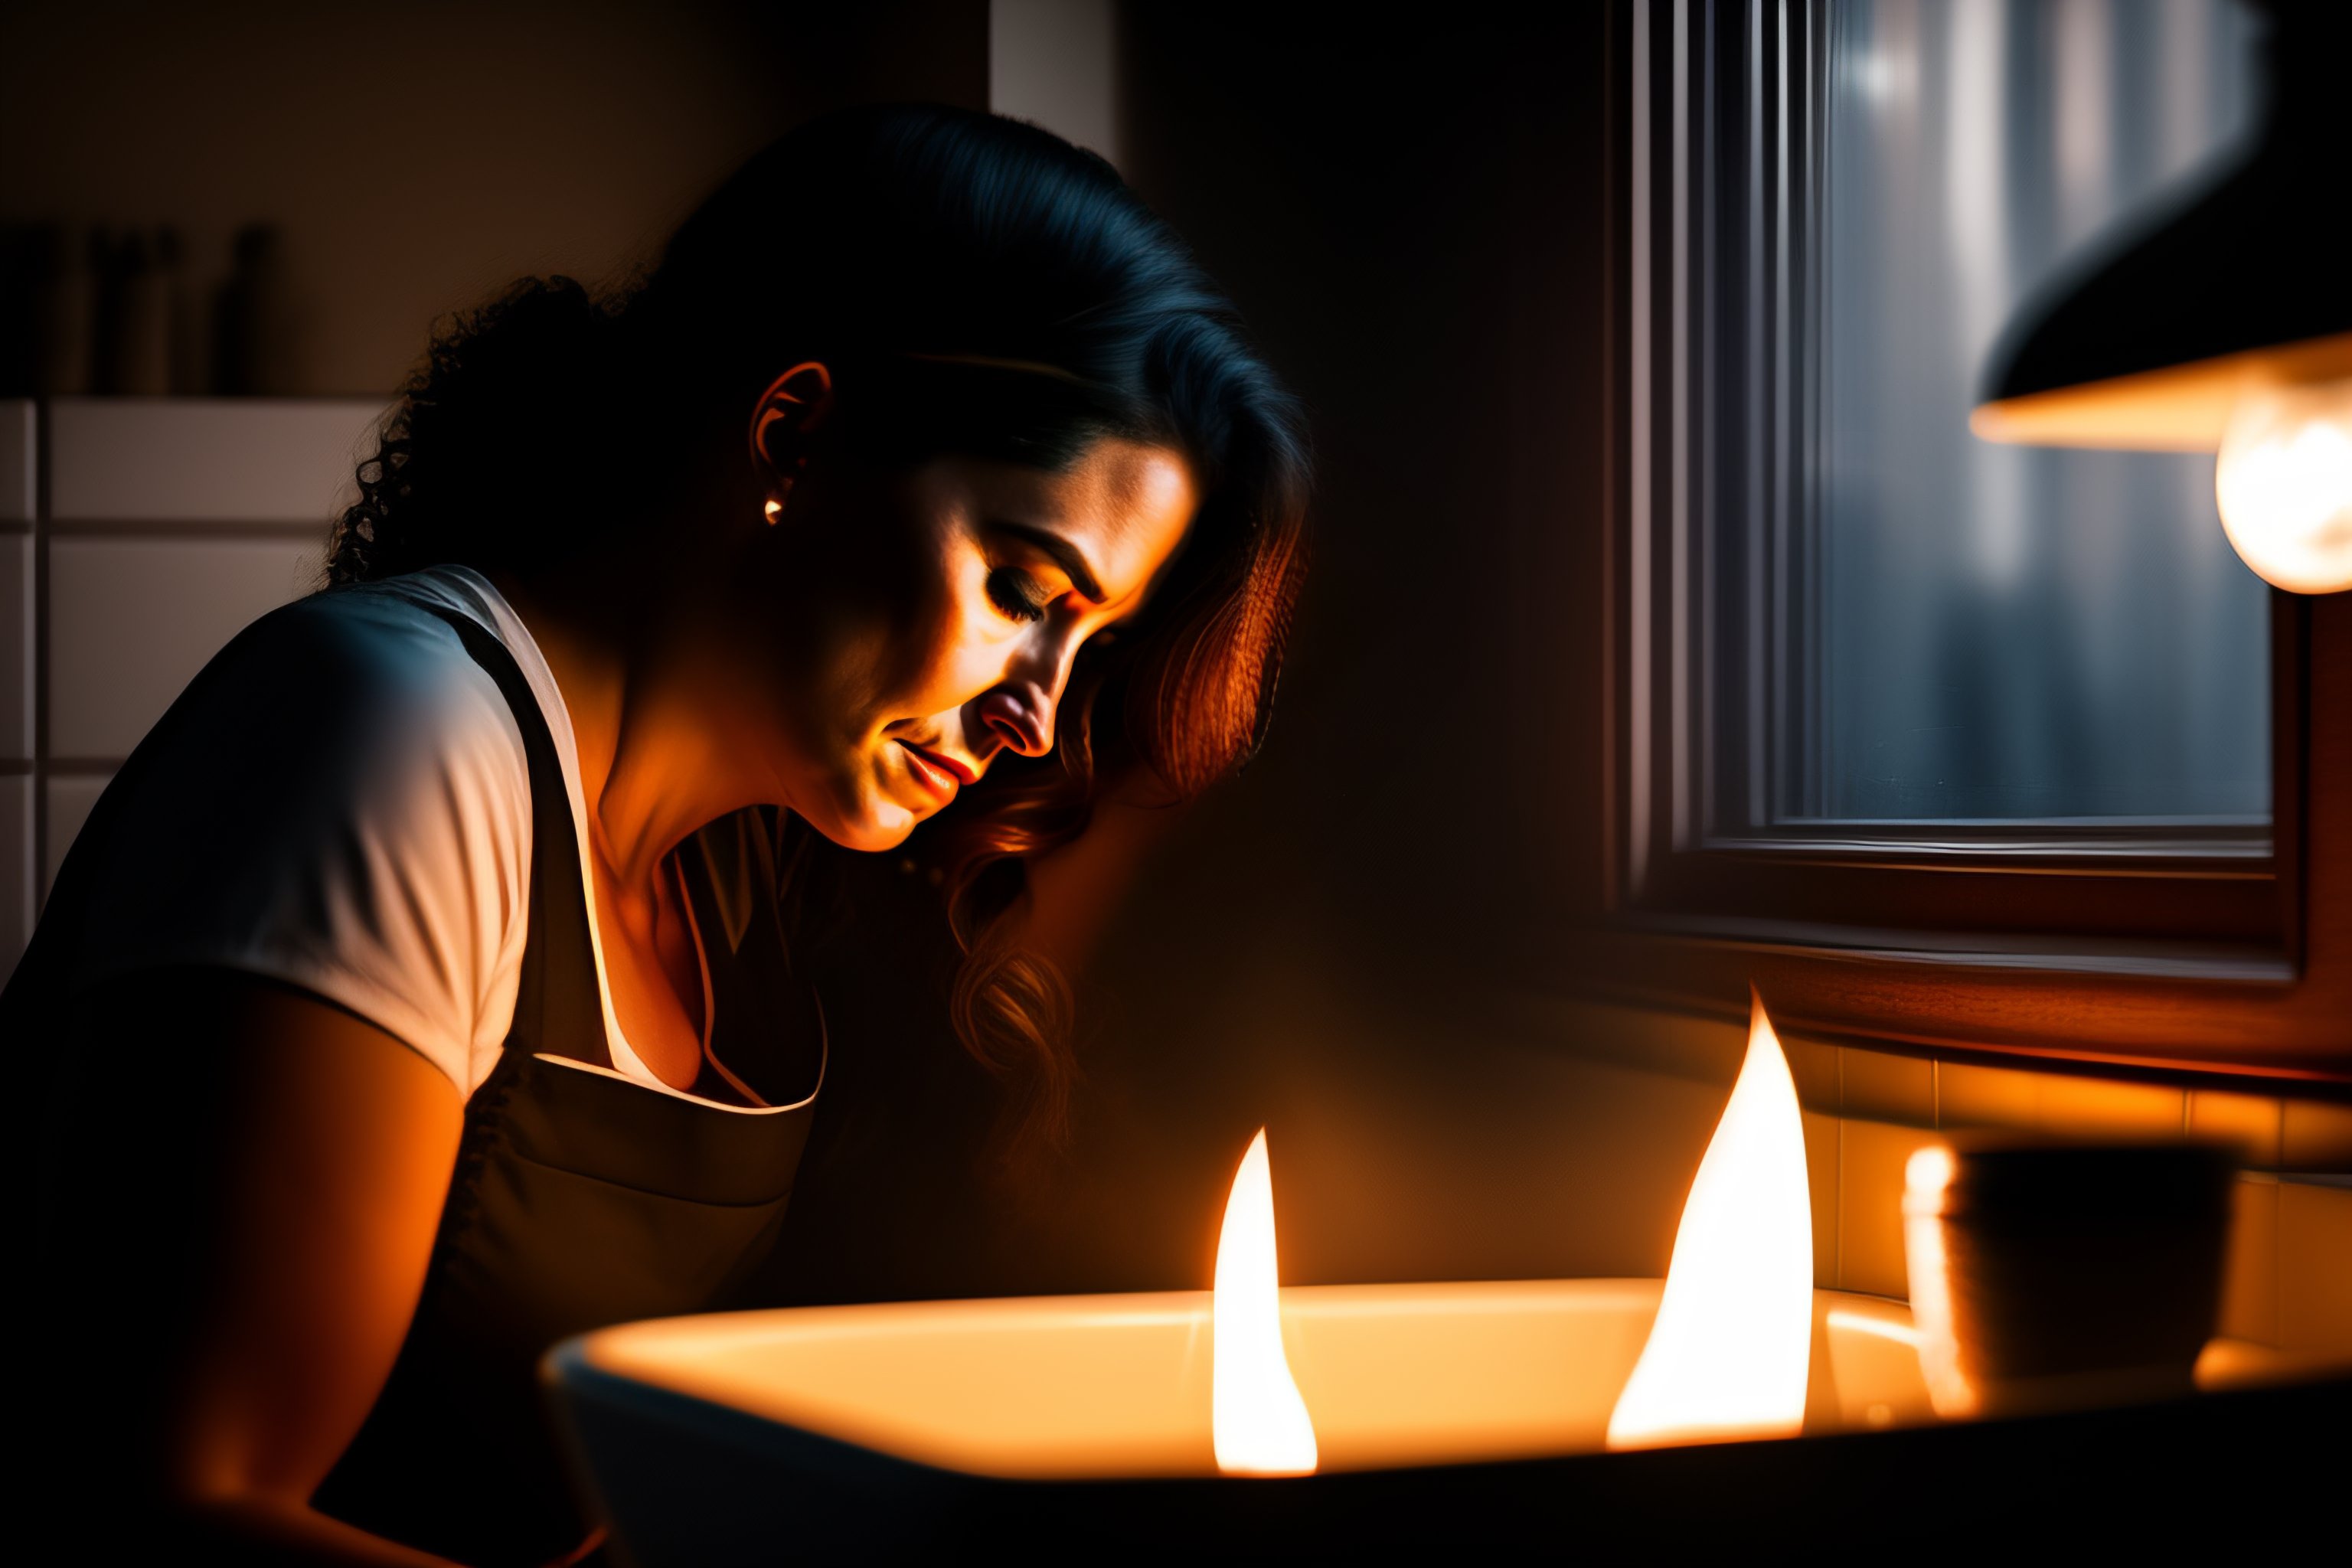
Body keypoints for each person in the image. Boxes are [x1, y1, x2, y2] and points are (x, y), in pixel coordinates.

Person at [13, 104, 1309, 1566]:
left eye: (1093, 641)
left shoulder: (751, 875)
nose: (1036, 717)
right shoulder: (398, 733)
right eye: (1022, 590)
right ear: (795, 434)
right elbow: (184, 1510)